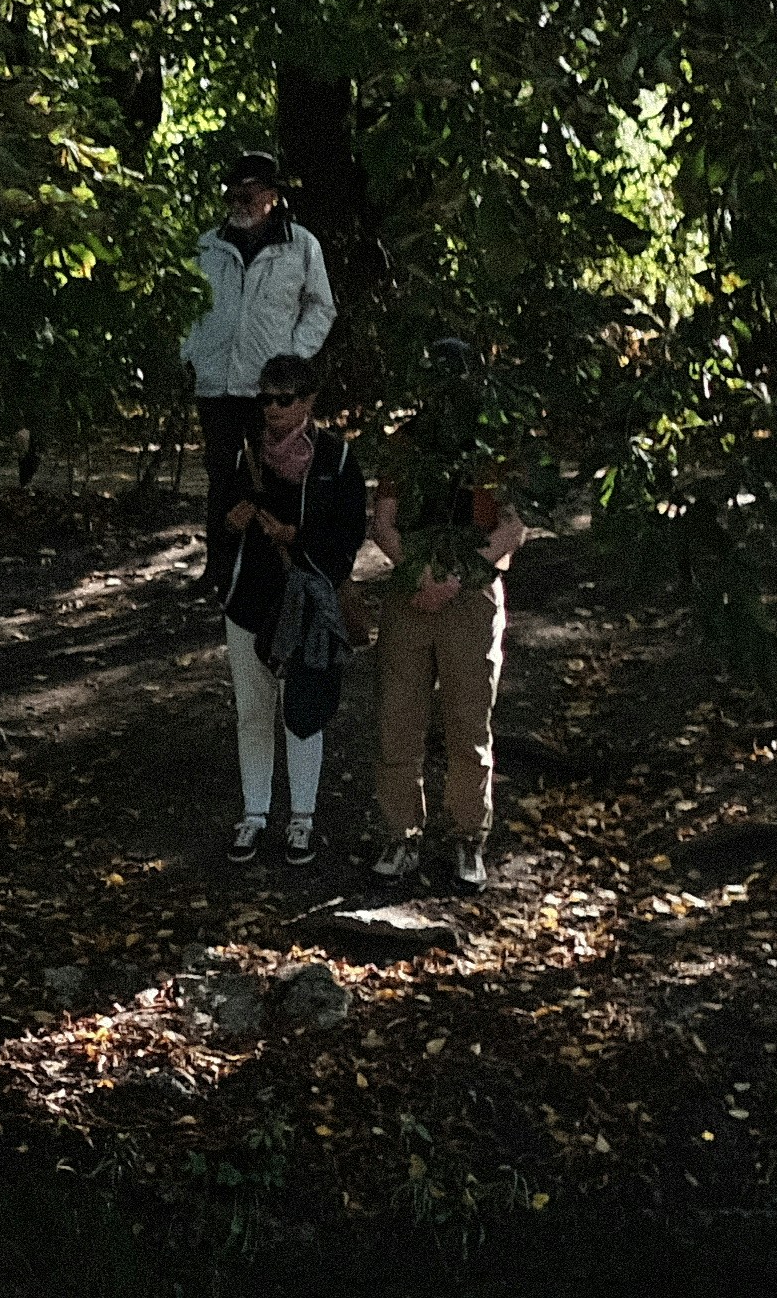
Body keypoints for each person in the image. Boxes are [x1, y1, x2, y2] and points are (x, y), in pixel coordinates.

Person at [365, 401, 527, 889]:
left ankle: (467, 840)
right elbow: (384, 522)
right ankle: (401, 835)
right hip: (408, 597)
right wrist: (418, 576)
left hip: (472, 598)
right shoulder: (404, 446)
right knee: (398, 719)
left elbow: (512, 527)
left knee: (468, 724)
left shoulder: (491, 447)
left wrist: (457, 578)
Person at [210, 357, 362, 861]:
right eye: (266, 398)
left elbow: (349, 535)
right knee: (252, 711)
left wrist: (296, 537)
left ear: (310, 400)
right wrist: (234, 524)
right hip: (249, 600)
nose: (274, 409)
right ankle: (254, 814)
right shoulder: (244, 454)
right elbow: (217, 527)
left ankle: (302, 818)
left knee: (303, 709)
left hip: (306, 604)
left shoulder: (336, 459)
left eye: (286, 398)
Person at [180, 155, 335, 506]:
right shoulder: (207, 247)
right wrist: (190, 352)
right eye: (231, 196)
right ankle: (221, 559)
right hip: (215, 386)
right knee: (222, 482)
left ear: (272, 197)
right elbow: (184, 307)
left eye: (246, 196)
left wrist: (292, 357)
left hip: (269, 392)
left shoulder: (301, 246)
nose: (237, 205)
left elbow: (321, 307)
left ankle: (265, 560)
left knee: (273, 482)